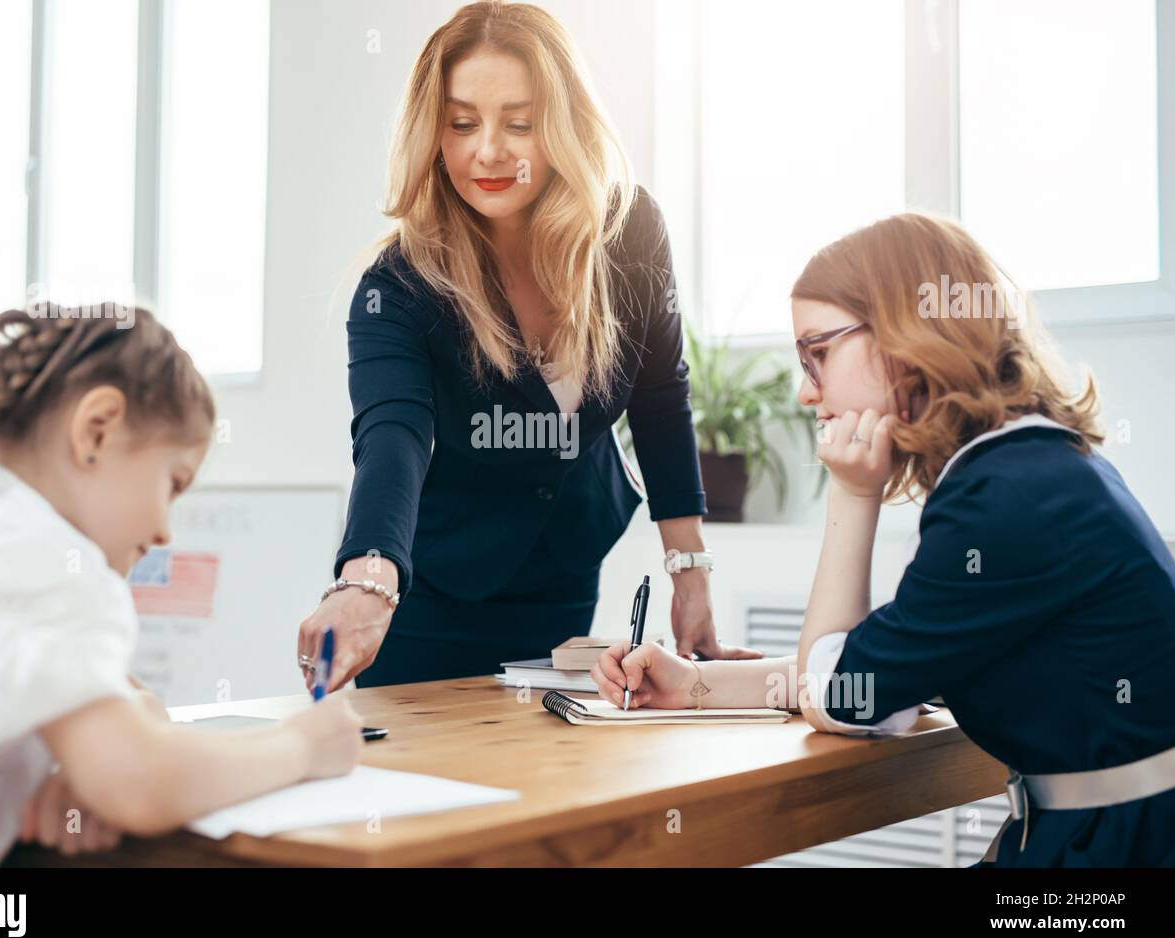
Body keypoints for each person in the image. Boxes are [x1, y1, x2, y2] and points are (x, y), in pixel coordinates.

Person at [592, 213, 1175, 866]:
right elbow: (890, 681)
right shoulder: (1031, 467)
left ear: (906, 334)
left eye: (819, 353)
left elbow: (843, 694)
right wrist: (691, 685)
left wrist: (853, 494)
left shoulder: (1002, 500)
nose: (807, 391)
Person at [298, 1, 760, 690]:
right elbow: (391, 433)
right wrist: (368, 579)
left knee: (553, 778)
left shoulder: (630, 231)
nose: (489, 149)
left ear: (565, 123)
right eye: (462, 123)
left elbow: (660, 396)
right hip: (430, 598)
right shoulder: (398, 286)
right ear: (433, 132)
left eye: (520, 122)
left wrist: (688, 571)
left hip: (565, 575)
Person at [0, 304, 362, 866]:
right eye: (172, 484)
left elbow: (128, 712)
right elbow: (138, 782)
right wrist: (302, 746)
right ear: (97, 430)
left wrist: (85, 767)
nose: (163, 531)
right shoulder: (44, 559)